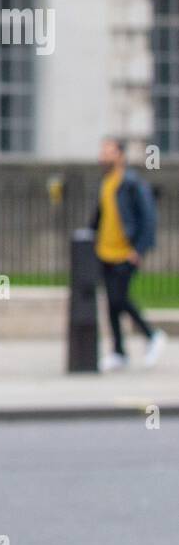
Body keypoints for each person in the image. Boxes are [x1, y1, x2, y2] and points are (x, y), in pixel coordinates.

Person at [89, 136, 165, 371]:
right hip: (105, 252)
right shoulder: (106, 182)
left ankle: (152, 336)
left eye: (108, 151)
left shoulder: (131, 182)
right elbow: (100, 217)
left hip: (125, 253)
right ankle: (119, 352)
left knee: (120, 299)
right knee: (112, 303)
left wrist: (139, 250)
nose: (103, 156)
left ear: (120, 155)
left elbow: (149, 217)